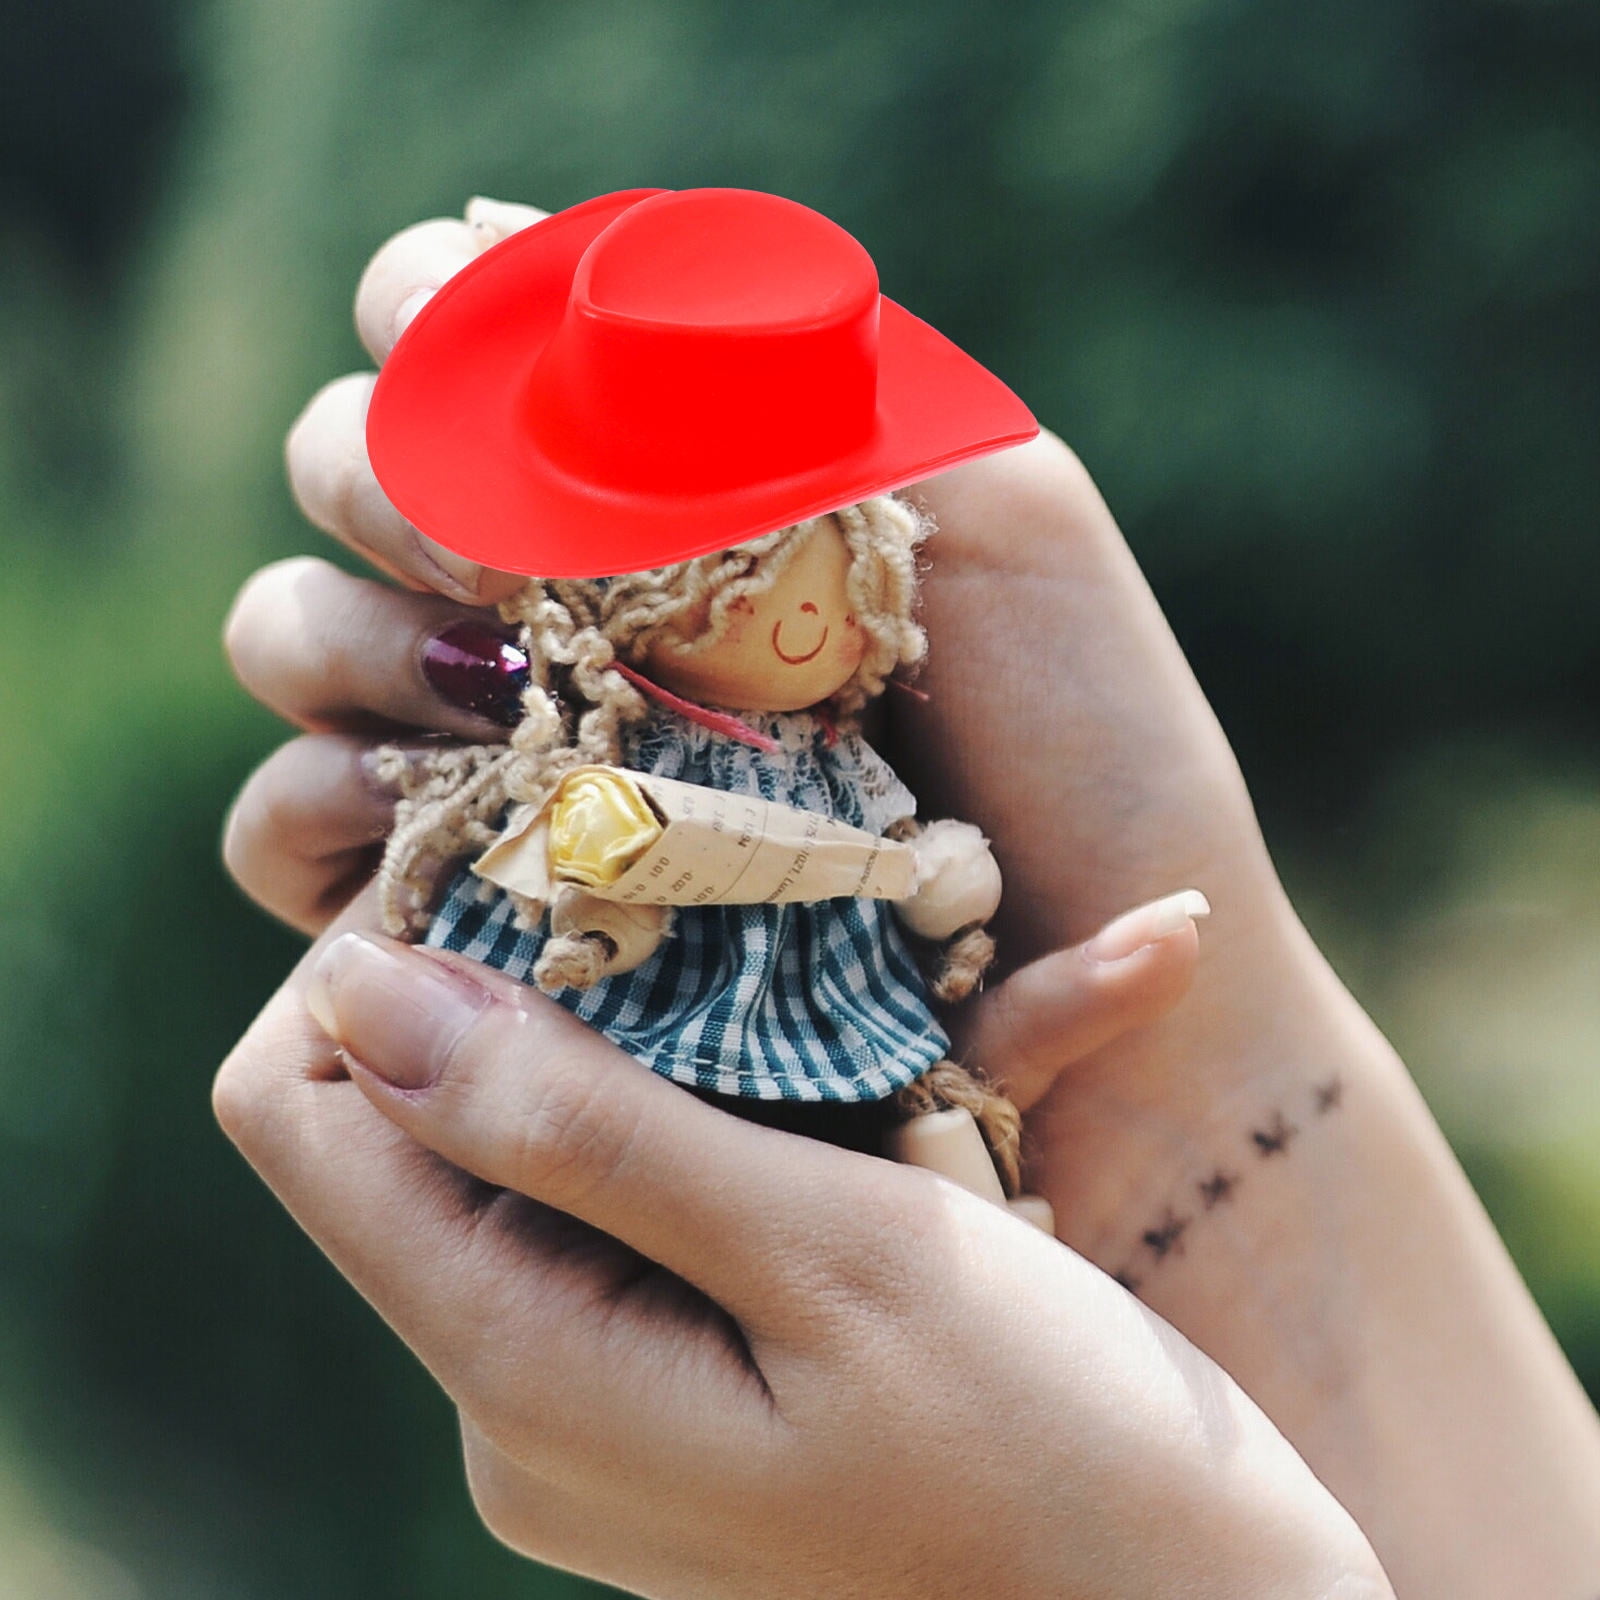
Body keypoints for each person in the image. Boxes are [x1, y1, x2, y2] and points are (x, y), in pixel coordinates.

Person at [216, 197, 1600, 1597]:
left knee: (916, 1110)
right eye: (747, 594)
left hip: (839, 983)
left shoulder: (842, 757)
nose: (803, 626)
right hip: (664, 980)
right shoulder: (638, 753)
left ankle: (969, 1210)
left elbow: (887, 834)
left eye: (830, 587)